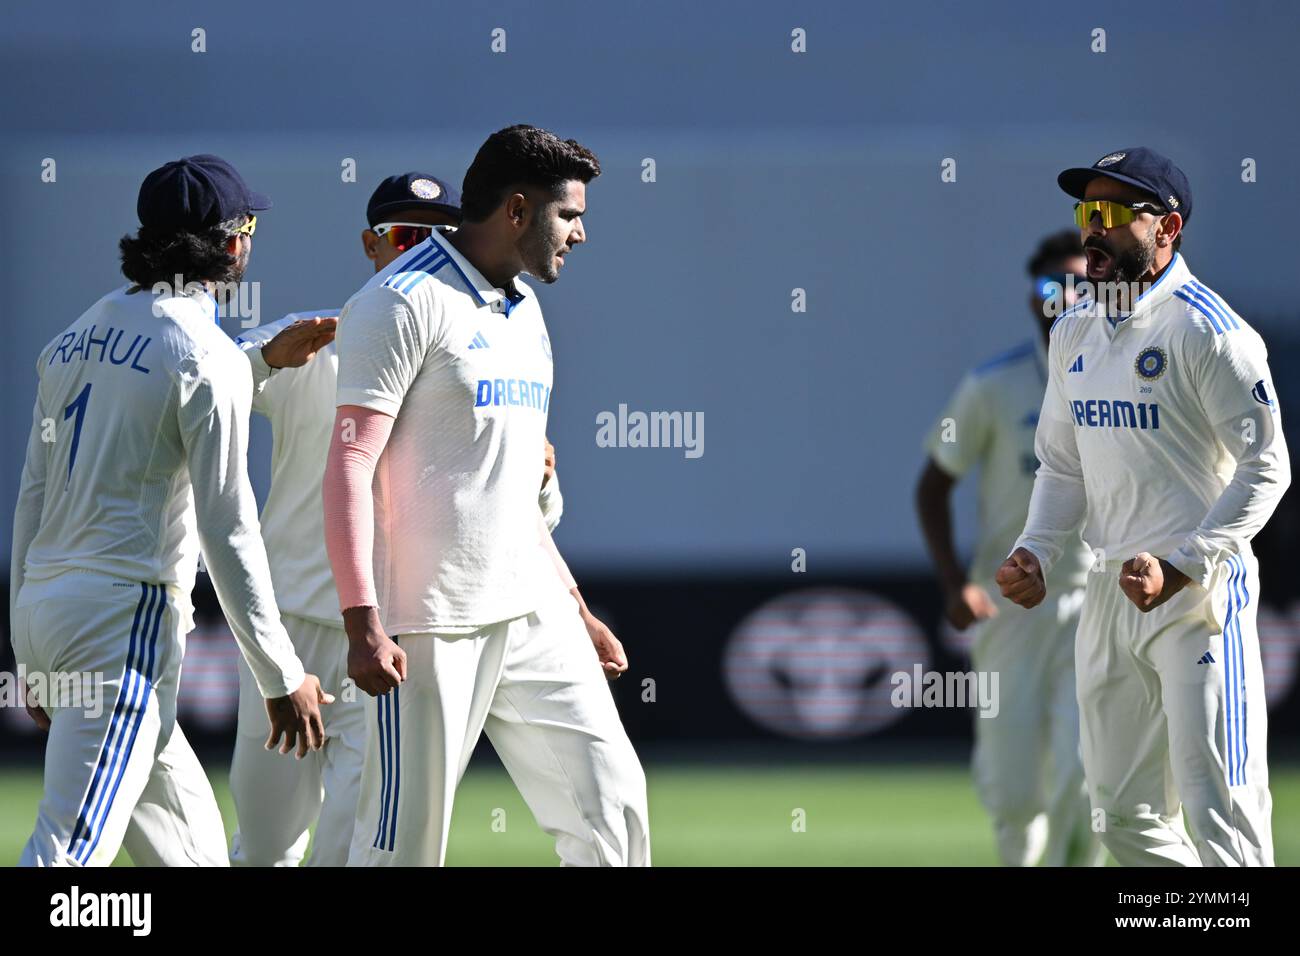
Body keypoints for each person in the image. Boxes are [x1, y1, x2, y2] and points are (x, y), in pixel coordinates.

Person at [323, 125, 648, 866]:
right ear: (518, 210)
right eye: (570, 215)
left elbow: (512, 491)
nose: (582, 234)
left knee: (616, 812)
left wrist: (575, 606)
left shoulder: (527, 310)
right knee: (404, 850)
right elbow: (348, 467)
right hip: (431, 620)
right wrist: (363, 621)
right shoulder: (399, 302)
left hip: (532, 609)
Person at [227, 171, 563, 866]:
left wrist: (543, 483)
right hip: (288, 632)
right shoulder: (313, 338)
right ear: (370, 246)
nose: (421, 251)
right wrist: (264, 359)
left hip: (390, 633)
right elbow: (196, 384)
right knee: (265, 844)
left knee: (354, 843)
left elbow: (524, 505)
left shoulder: (475, 349)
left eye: (438, 237)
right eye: (406, 235)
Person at [10, 154, 328, 867]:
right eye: (248, 227)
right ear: (232, 241)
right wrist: (281, 674)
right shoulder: (205, 356)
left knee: (195, 857)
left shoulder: (72, 339)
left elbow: (34, 495)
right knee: (66, 856)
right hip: (121, 627)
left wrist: (27, 646)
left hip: (50, 611)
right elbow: (228, 526)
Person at [999, 147, 1291, 866]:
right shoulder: (1072, 331)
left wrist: (1183, 563)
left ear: (1168, 229)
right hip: (1107, 590)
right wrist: (1037, 548)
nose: (1093, 232)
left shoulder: (1210, 334)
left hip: (1199, 599)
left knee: (1221, 815)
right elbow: (1064, 465)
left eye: (1114, 215)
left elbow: (1269, 467)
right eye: (1086, 214)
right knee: (1122, 819)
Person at [916, 230, 1100, 866]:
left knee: (1089, 770)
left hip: (1103, 602)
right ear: (1032, 299)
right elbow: (933, 486)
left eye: (1082, 283)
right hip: (1013, 608)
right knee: (1015, 789)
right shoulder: (991, 386)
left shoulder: (1129, 377)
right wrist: (954, 585)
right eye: (1052, 286)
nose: (1067, 296)